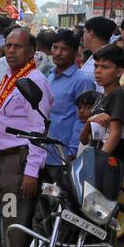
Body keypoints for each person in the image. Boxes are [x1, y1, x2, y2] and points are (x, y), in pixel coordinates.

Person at [0, 26, 52, 247]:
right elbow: (0, 126)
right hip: (5, 160)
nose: (11, 51)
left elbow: (39, 129)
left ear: (32, 51)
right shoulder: (10, 79)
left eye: (18, 46)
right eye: (9, 45)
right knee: (9, 219)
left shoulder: (35, 82)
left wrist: (31, 171)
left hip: (20, 162)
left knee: (17, 223)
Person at [42, 29, 96, 174]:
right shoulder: (49, 76)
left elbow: (83, 120)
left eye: (64, 49)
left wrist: (72, 152)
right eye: (55, 47)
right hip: (42, 152)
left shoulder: (82, 81)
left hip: (64, 155)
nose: (58, 53)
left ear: (75, 52)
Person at [79, 16, 119, 83]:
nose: (83, 36)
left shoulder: (107, 60)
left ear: (91, 33)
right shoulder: (96, 56)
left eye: (84, 32)